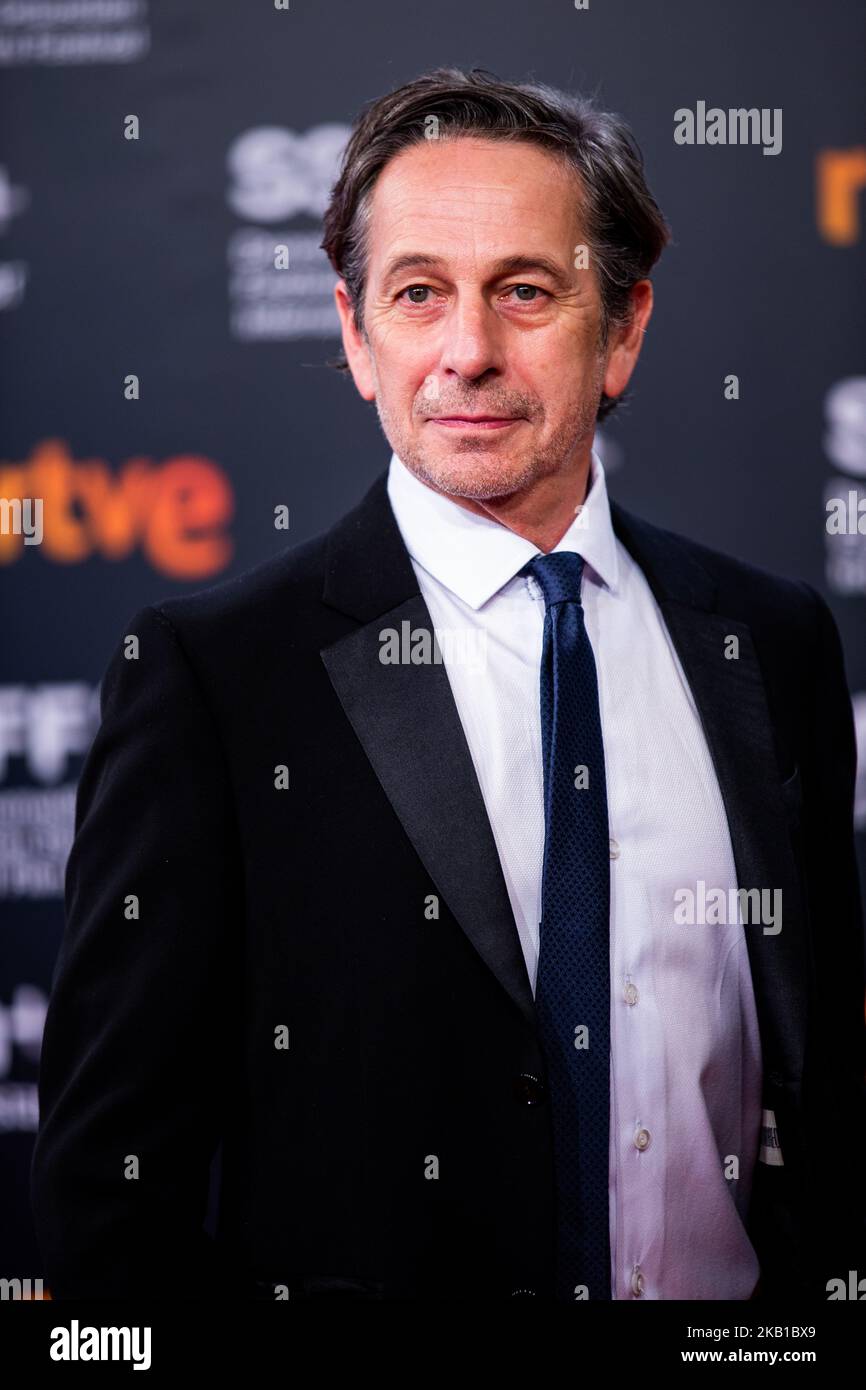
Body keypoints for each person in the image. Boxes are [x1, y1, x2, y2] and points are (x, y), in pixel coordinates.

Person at [31, 66, 865, 1302]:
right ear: (357, 337)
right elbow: (113, 1195)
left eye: (524, 292)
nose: (467, 352)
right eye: (418, 294)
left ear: (623, 326)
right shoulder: (216, 678)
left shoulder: (769, 639)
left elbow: (823, 1083)